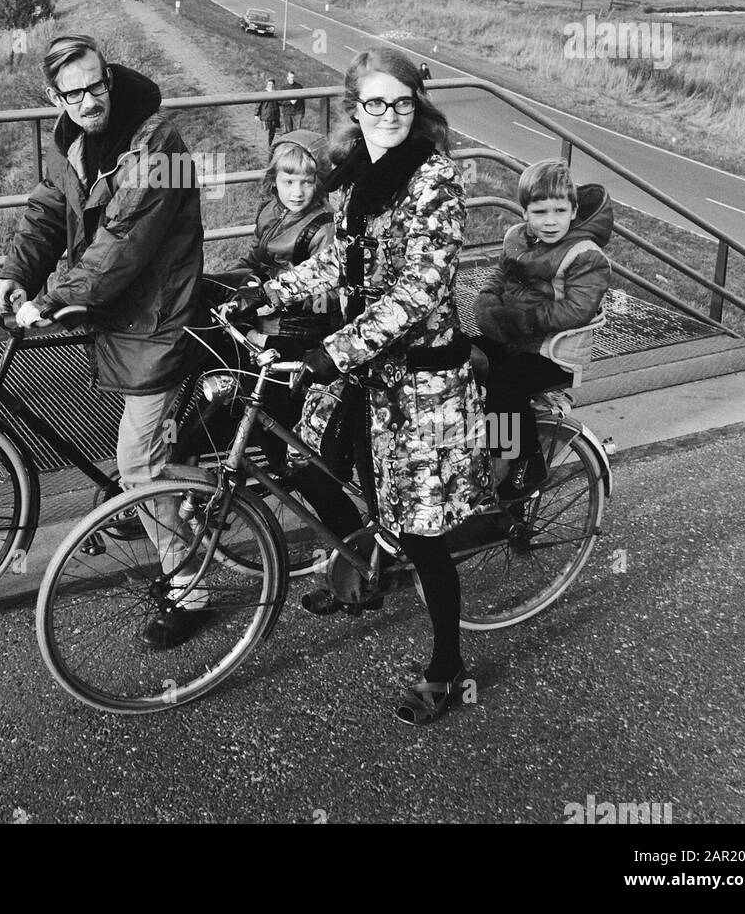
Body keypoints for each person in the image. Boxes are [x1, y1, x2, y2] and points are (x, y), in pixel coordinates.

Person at [231, 46, 488, 725]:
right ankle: (361, 578)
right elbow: (335, 269)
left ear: (415, 105)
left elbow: (419, 288)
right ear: (354, 108)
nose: (390, 115)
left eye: (402, 102)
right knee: (313, 468)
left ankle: (446, 665)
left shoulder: (435, 179)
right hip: (362, 371)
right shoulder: (353, 178)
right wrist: (264, 292)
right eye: (376, 103)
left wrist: (332, 353)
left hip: (417, 381)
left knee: (417, 526)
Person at [0, 34, 205, 648]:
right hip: (121, 318)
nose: (88, 101)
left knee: (138, 462)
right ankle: (152, 507)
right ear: (53, 96)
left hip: (159, 317)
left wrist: (52, 297)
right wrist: (16, 276)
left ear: (109, 76)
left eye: (96, 85)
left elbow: (121, 241)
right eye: (73, 92)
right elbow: (48, 213)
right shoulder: (71, 139)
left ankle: (191, 588)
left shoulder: (157, 142)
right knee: (139, 459)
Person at [213, 131, 361, 540]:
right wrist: (238, 285)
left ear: (321, 183)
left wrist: (265, 301)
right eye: (287, 180)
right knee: (251, 407)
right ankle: (274, 465)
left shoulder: (324, 228)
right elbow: (256, 260)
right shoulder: (270, 213)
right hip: (268, 320)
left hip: (303, 333)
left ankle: (340, 522)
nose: (296, 191)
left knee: (288, 433)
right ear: (273, 180)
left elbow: (325, 297)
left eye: (307, 181)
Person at [473, 160, 612, 500]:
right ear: (525, 212)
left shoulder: (585, 255)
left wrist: (522, 320)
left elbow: (577, 309)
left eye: (559, 211)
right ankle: (474, 440)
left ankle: (517, 458)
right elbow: (501, 274)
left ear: (574, 210)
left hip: (554, 351)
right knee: (462, 356)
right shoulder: (519, 240)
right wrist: (488, 299)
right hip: (516, 339)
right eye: (539, 211)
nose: (550, 221)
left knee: (505, 381)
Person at [255, 78, 281, 147]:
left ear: (274, 85)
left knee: (273, 130)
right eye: (269, 84)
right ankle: (263, 144)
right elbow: (258, 103)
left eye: (272, 84)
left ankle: (269, 144)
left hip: (274, 115)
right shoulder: (263, 93)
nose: (271, 86)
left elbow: (280, 103)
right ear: (267, 84)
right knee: (266, 130)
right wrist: (256, 114)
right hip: (266, 115)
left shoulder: (276, 93)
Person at [280, 69, 305, 134]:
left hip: (298, 112)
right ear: (287, 78)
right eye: (290, 77)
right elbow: (280, 102)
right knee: (288, 132)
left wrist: (303, 112)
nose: (292, 79)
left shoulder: (299, 87)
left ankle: (297, 144)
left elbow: (302, 101)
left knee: (298, 132)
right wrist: (290, 102)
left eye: (293, 77)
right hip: (287, 112)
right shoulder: (283, 88)